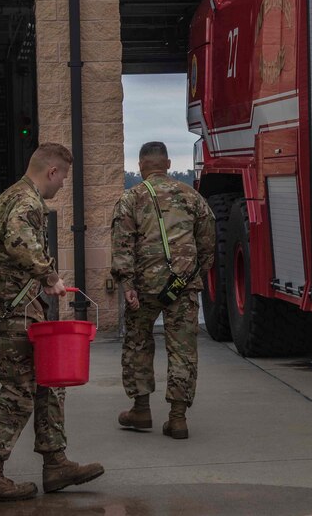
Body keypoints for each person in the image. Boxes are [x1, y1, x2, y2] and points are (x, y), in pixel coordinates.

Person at [0, 142, 104, 502]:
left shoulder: (14, 195)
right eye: (63, 177)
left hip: (19, 308)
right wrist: (49, 276)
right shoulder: (27, 201)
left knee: (49, 382)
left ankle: (56, 463)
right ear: (52, 172)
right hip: (14, 310)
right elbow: (18, 239)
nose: (63, 185)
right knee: (19, 391)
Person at [111, 142, 216, 439]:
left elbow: (122, 244)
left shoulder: (131, 198)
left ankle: (141, 409)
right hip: (182, 286)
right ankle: (178, 418)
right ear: (168, 163)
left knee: (138, 343)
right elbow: (207, 239)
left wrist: (127, 284)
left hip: (143, 287)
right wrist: (195, 275)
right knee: (182, 349)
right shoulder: (192, 197)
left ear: (141, 165)